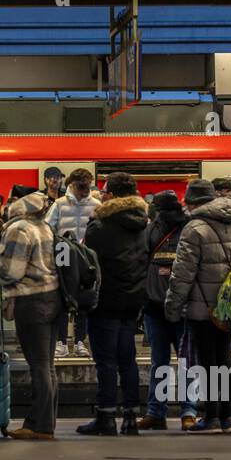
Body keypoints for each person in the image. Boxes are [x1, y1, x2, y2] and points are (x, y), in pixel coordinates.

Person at [164, 178, 231, 434]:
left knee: (207, 361)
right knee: (225, 358)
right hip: (229, 307)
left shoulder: (194, 229)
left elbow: (182, 273)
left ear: (191, 202)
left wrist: (172, 306)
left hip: (202, 307)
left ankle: (211, 416)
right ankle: (228, 418)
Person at [78, 172, 148, 436]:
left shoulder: (100, 226)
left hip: (106, 299)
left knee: (106, 360)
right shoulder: (143, 223)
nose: (102, 193)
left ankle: (106, 416)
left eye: (105, 190)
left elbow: (90, 265)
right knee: (127, 357)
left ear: (113, 195)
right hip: (132, 299)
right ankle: (131, 416)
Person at [0, 189, 61, 440]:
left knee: (39, 365)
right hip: (53, 298)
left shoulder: (19, 229)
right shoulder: (44, 227)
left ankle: (39, 426)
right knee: (48, 365)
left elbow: (12, 271)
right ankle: (45, 422)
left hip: (31, 299)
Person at [138, 190, 197, 431]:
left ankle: (156, 411)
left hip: (154, 305)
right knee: (187, 362)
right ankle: (188, 411)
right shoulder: (190, 229)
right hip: (184, 304)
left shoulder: (150, 230)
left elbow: (141, 262)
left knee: (159, 362)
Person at [47, 168, 99, 357]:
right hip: (64, 253)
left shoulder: (96, 204)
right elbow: (48, 227)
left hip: (85, 257)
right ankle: (61, 341)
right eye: (81, 185)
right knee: (63, 298)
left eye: (87, 184)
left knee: (83, 299)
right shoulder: (60, 204)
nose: (85, 188)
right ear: (72, 184)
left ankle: (79, 341)